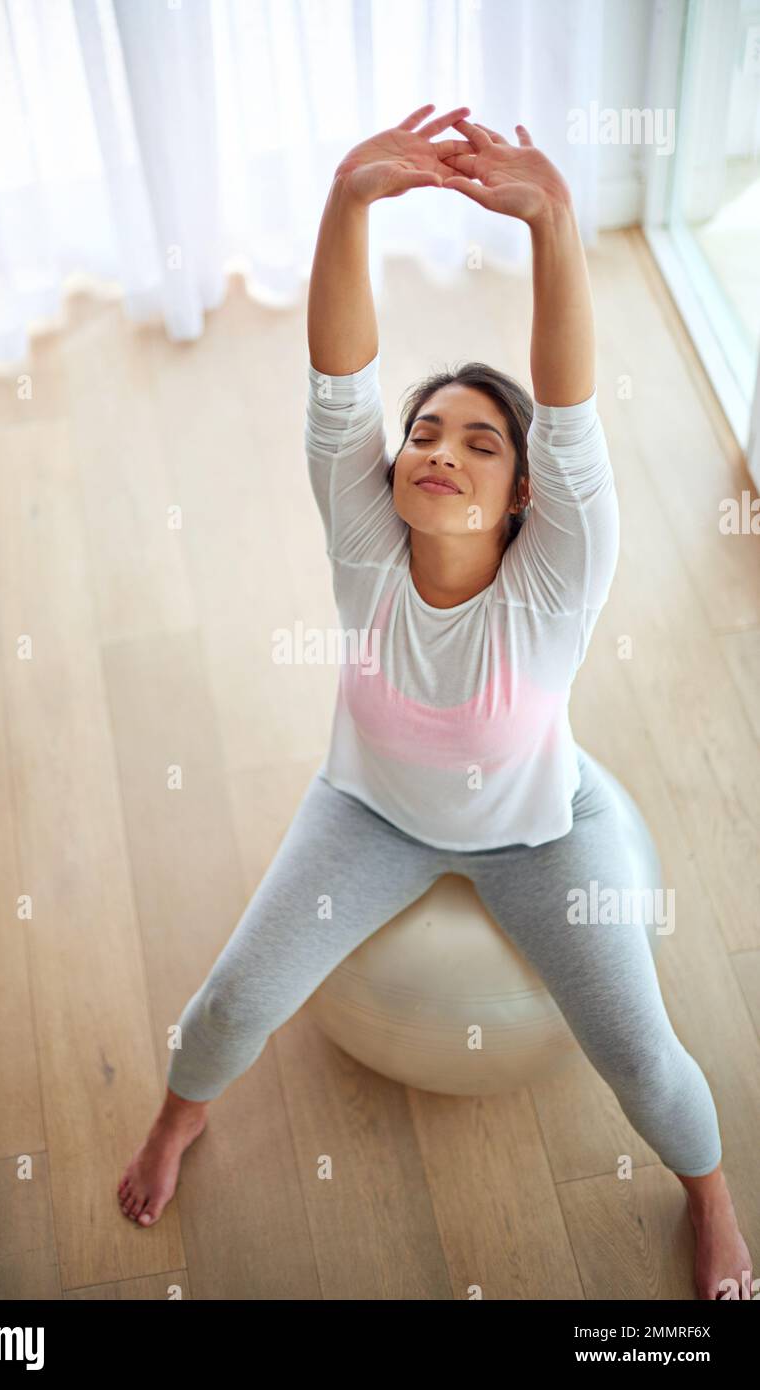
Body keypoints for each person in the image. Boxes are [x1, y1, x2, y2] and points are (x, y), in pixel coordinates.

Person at [118, 104, 752, 1301]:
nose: (438, 449)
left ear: (524, 497)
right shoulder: (364, 541)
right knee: (231, 1001)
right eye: (422, 431)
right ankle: (174, 1124)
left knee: (640, 1056)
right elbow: (335, 383)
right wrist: (348, 202)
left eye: (478, 441)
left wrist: (557, 221)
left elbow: (570, 421)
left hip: (544, 833)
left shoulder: (560, 577)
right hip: (370, 812)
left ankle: (710, 1198)